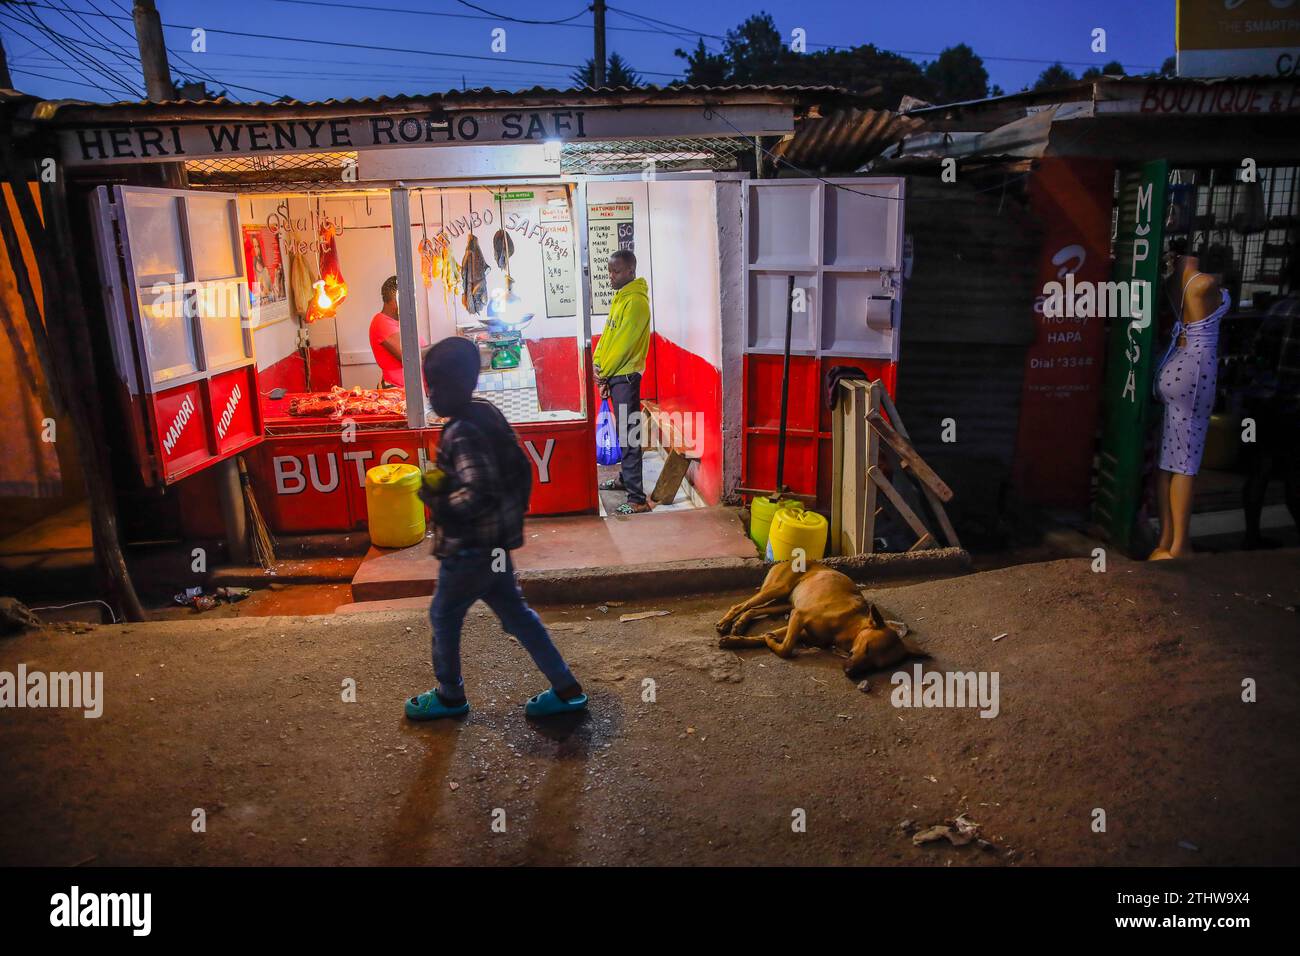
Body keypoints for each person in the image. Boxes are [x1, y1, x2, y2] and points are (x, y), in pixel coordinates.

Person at [404, 336, 588, 721]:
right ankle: (567, 689)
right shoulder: (485, 412)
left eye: (436, 387)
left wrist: (438, 500)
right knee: (517, 615)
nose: (432, 395)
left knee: (443, 615)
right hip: (497, 548)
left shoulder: (460, 432)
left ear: (457, 387)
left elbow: (478, 491)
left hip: (469, 551)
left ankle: (450, 696)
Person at [1149, 247, 1232, 560]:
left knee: (1168, 460)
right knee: (1187, 462)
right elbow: (1216, 290)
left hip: (1172, 364)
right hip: (1196, 372)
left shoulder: (1174, 281)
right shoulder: (1204, 283)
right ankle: (1181, 546)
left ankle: (1165, 540)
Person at [1240, 267, 1300, 549]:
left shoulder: (1277, 309)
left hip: (1260, 405)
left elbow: (1254, 356)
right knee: (1292, 471)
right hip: (1291, 408)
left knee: (1258, 468)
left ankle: (1251, 535)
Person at [593, 249, 652, 515]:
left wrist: (604, 372)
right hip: (614, 375)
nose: (611, 277)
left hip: (625, 377)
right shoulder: (621, 298)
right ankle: (625, 480)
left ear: (630, 270)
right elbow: (608, 336)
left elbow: (624, 346)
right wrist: (597, 363)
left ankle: (638, 498)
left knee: (630, 437)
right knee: (623, 435)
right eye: (609, 271)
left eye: (615, 271)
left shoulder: (637, 302)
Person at [368, 275, 429, 391]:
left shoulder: (401, 322)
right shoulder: (381, 322)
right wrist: (442, 346)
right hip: (398, 391)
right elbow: (409, 355)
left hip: (414, 389)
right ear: (394, 300)